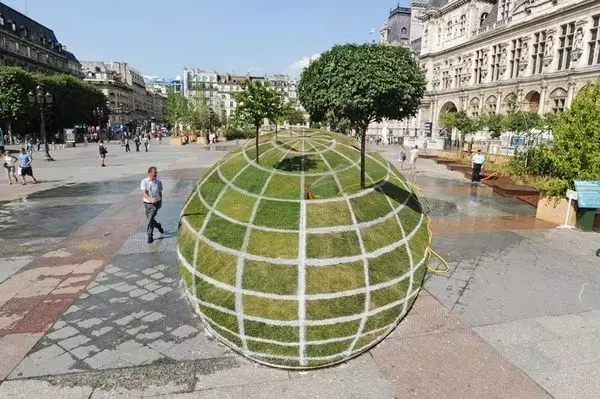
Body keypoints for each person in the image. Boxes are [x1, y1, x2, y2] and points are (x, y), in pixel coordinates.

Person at [141, 166, 164, 244]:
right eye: (154, 172)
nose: (156, 174)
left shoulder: (159, 182)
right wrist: (150, 199)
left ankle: (150, 235)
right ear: (149, 173)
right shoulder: (144, 181)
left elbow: (160, 193)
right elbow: (144, 193)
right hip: (147, 203)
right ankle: (158, 225)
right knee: (150, 219)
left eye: (156, 172)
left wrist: (160, 202)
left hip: (155, 204)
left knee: (149, 220)